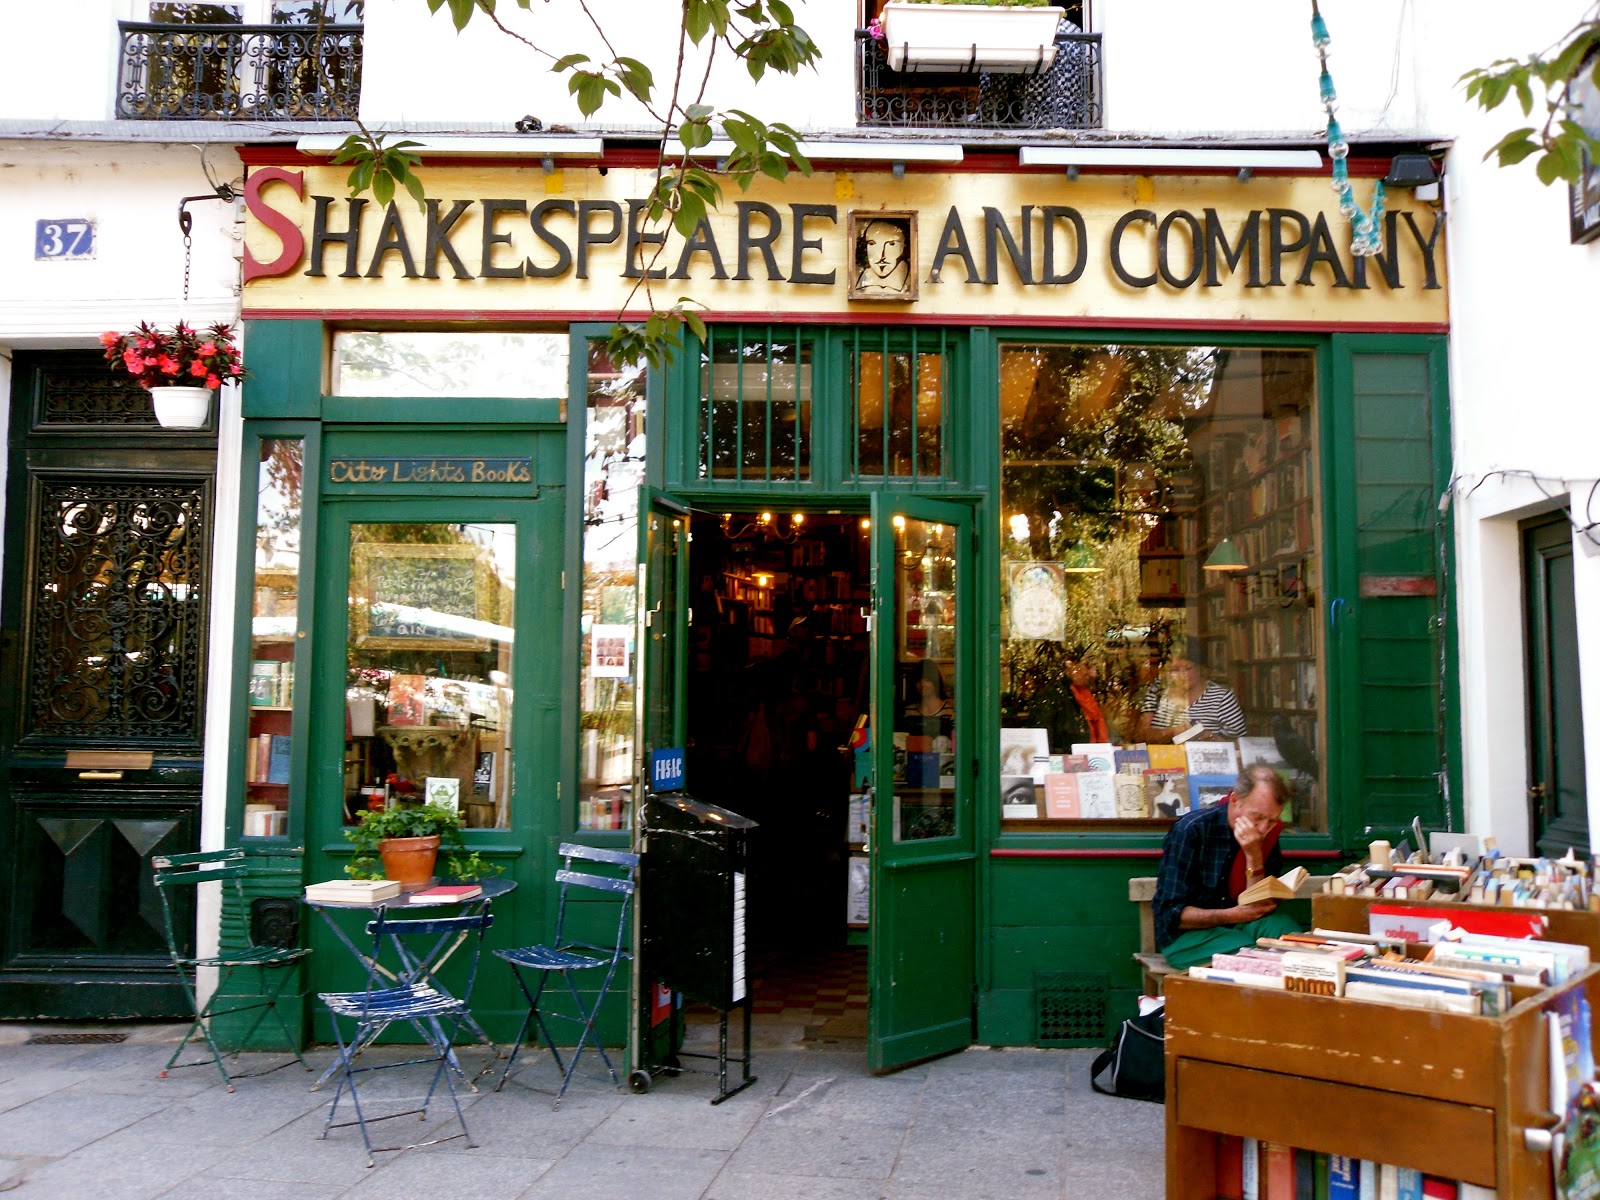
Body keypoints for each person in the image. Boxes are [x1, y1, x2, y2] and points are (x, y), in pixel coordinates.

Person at [1151, 764, 1302, 970]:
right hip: (1188, 936)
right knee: (1256, 959)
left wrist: (1253, 855)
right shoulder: (1192, 830)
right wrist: (1235, 914)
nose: (1263, 828)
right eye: (1257, 817)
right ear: (1234, 801)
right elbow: (1172, 915)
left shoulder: (1267, 833)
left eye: (1272, 820)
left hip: (1240, 924)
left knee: (1293, 939)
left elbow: (1258, 906)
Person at [1132, 639, 1244, 743]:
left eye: (1188, 668)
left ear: (1201, 668)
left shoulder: (1222, 698)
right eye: (1175, 670)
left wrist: (1213, 738)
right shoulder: (1157, 690)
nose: (1182, 675)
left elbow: (1239, 743)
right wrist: (1171, 732)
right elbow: (1142, 735)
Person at [854, 218, 911, 296]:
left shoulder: (908, 283)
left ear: (905, 246)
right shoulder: (860, 282)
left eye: (891, 244)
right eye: (872, 244)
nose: (881, 256)